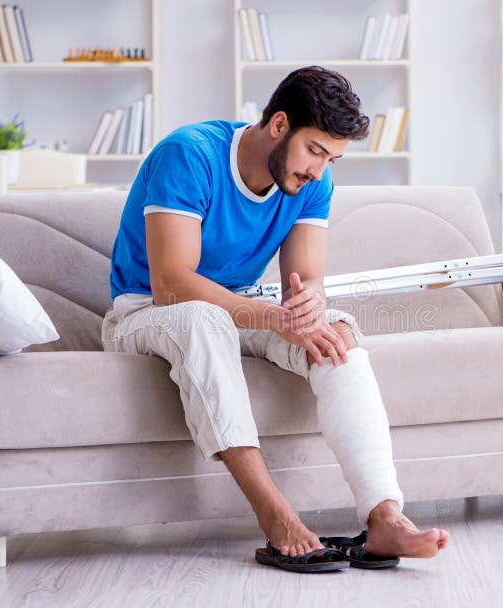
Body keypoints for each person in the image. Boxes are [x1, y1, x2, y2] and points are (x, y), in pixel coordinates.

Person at [102, 66, 449, 572]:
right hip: (146, 313)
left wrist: (311, 306)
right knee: (202, 319)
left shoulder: (316, 180)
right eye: (315, 150)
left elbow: (305, 281)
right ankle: (275, 514)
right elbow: (171, 284)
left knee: (339, 333)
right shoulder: (190, 155)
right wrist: (275, 318)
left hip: (236, 308)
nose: (319, 169)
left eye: (332, 158)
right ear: (280, 124)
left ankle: (384, 515)